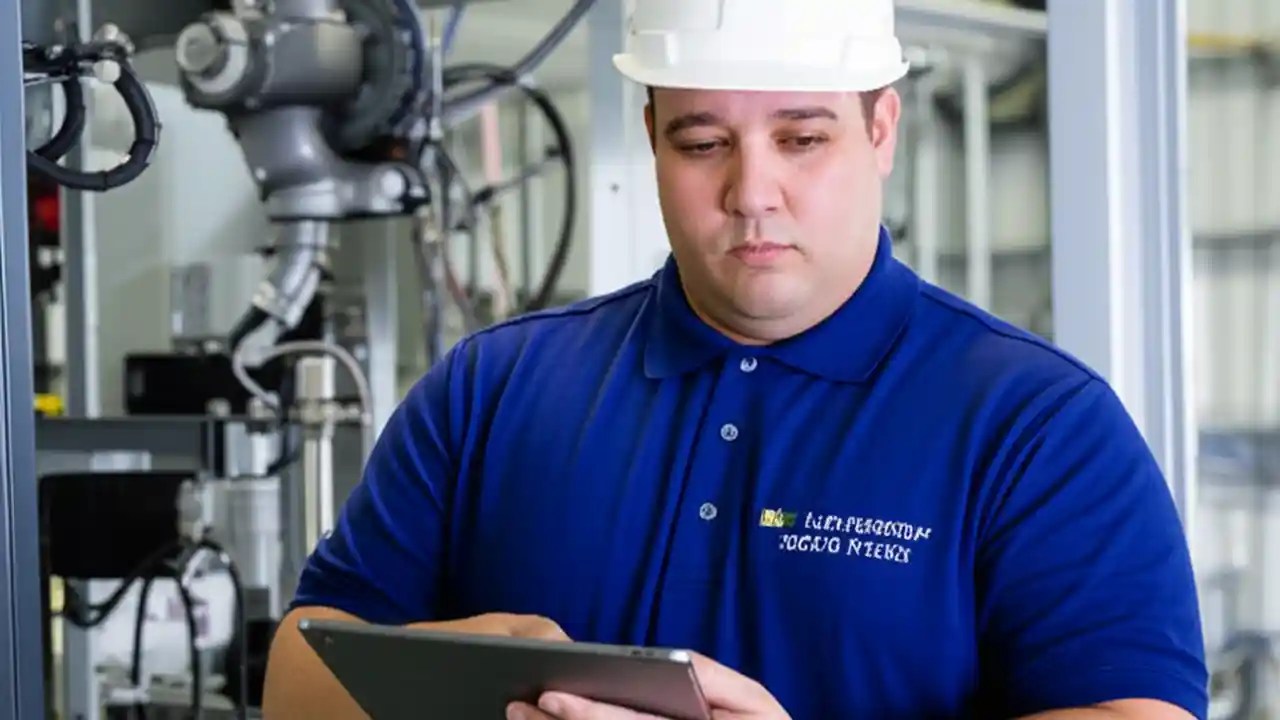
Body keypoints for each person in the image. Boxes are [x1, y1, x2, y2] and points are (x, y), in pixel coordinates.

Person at [262, 0, 1209, 718]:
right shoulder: (493, 391)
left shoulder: (1037, 425)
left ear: (882, 130)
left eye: (802, 139)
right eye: (703, 141)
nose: (753, 191)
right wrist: (465, 679)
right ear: (651, 139)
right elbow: (300, 671)